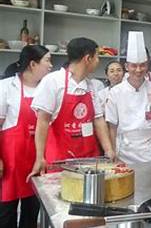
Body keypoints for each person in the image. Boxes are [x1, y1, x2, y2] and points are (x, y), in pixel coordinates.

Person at [28, 38, 115, 176]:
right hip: (61, 160)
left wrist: (109, 150)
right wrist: (40, 157)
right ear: (88, 58)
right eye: (97, 56)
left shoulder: (91, 85)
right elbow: (43, 121)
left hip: (89, 159)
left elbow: (98, 120)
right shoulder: (54, 81)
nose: (98, 61)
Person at [0, 45, 52, 228]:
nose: (51, 65)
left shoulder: (47, 88)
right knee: (6, 212)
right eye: (47, 60)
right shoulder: (6, 87)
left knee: (31, 212)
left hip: (37, 160)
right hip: (10, 162)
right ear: (32, 64)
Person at [105, 32, 151, 163]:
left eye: (142, 65)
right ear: (126, 67)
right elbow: (112, 126)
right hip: (124, 149)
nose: (138, 70)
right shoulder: (116, 92)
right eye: (134, 66)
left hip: (148, 149)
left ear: (147, 65)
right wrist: (112, 152)